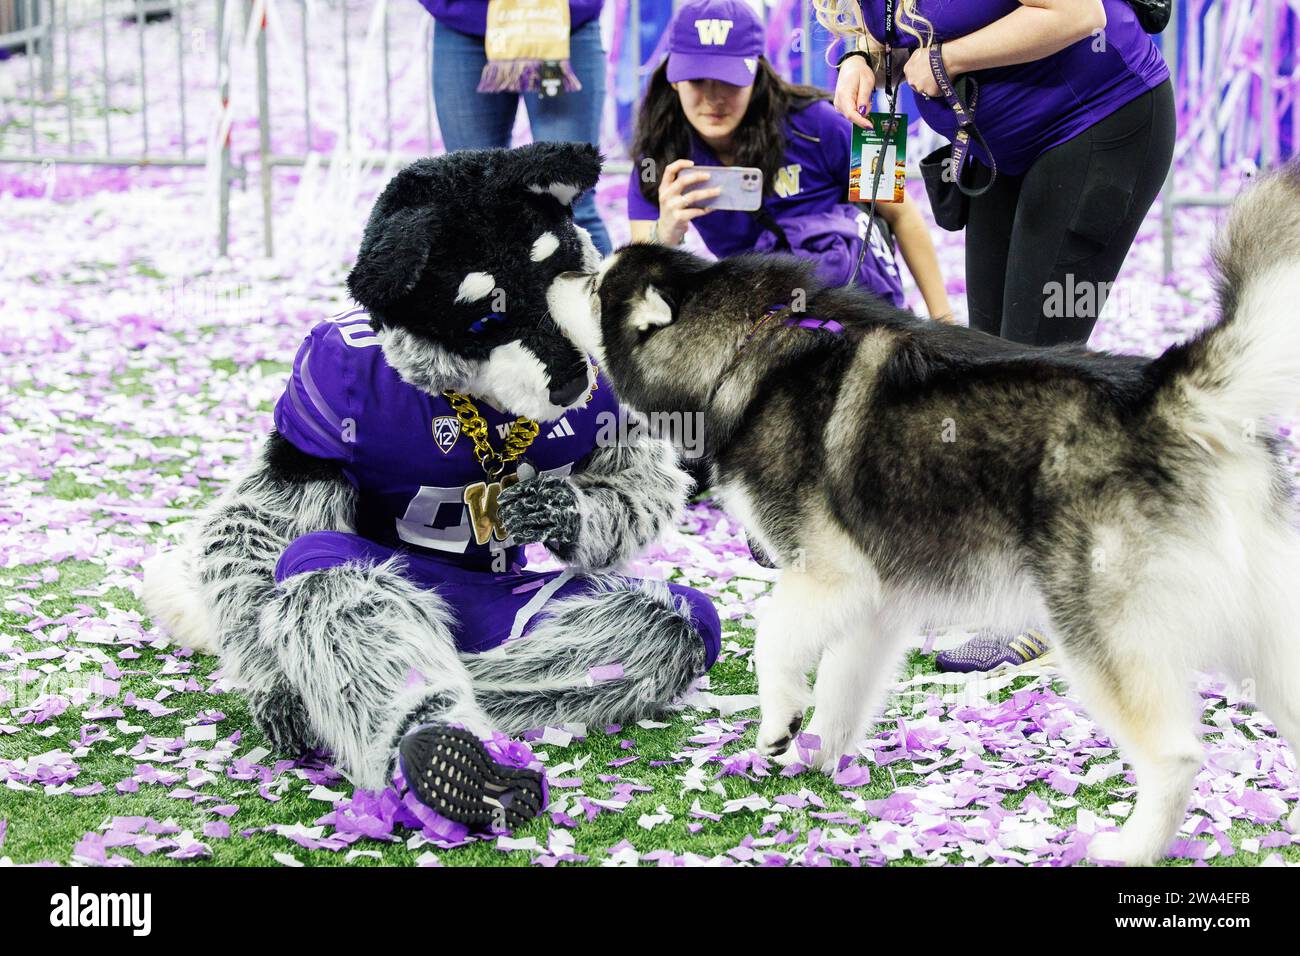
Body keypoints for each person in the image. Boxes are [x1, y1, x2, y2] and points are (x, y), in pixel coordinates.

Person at [820, 0, 1174, 672]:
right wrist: (860, 56)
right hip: (996, 144)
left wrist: (949, 60)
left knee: (1035, 380)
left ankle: (1046, 605)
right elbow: (887, 24)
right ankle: (999, 577)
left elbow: (1076, 14)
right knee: (991, 372)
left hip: (1098, 122)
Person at [627, 0, 952, 321]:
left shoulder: (822, 120)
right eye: (697, 79)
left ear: (757, 73)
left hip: (856, 309)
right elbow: (637, 281)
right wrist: (665, 234)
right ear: (673, 78)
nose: (713, 97)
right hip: (759, 323)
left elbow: (903, 213)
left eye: (729, 79)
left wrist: (943, 321)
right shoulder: (659, 154)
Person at [422, 0, 613, 255]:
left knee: (570, 202)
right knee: (474, 206)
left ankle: (602, 294)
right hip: (464, 20)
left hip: (560, 20)